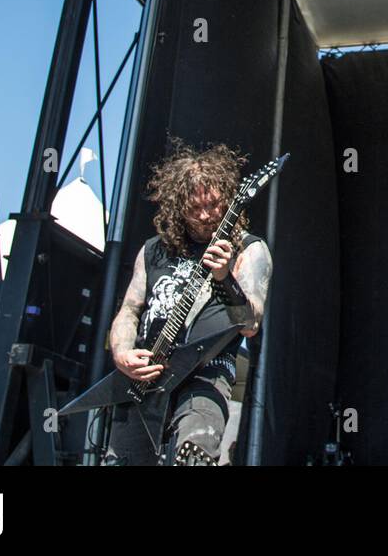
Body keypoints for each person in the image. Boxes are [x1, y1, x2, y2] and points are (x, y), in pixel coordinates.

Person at [106, 143, 272, 465]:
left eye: (212, 205)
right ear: (178, 207)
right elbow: (129, 310)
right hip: (145, 378)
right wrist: (122, 354)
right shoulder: (154, 250)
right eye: (194, 208)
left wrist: (225, 277)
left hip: (206, 374)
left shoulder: (249, 250)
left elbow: (251, 325)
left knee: (194, 454)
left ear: (228, 198)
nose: (206, 215)